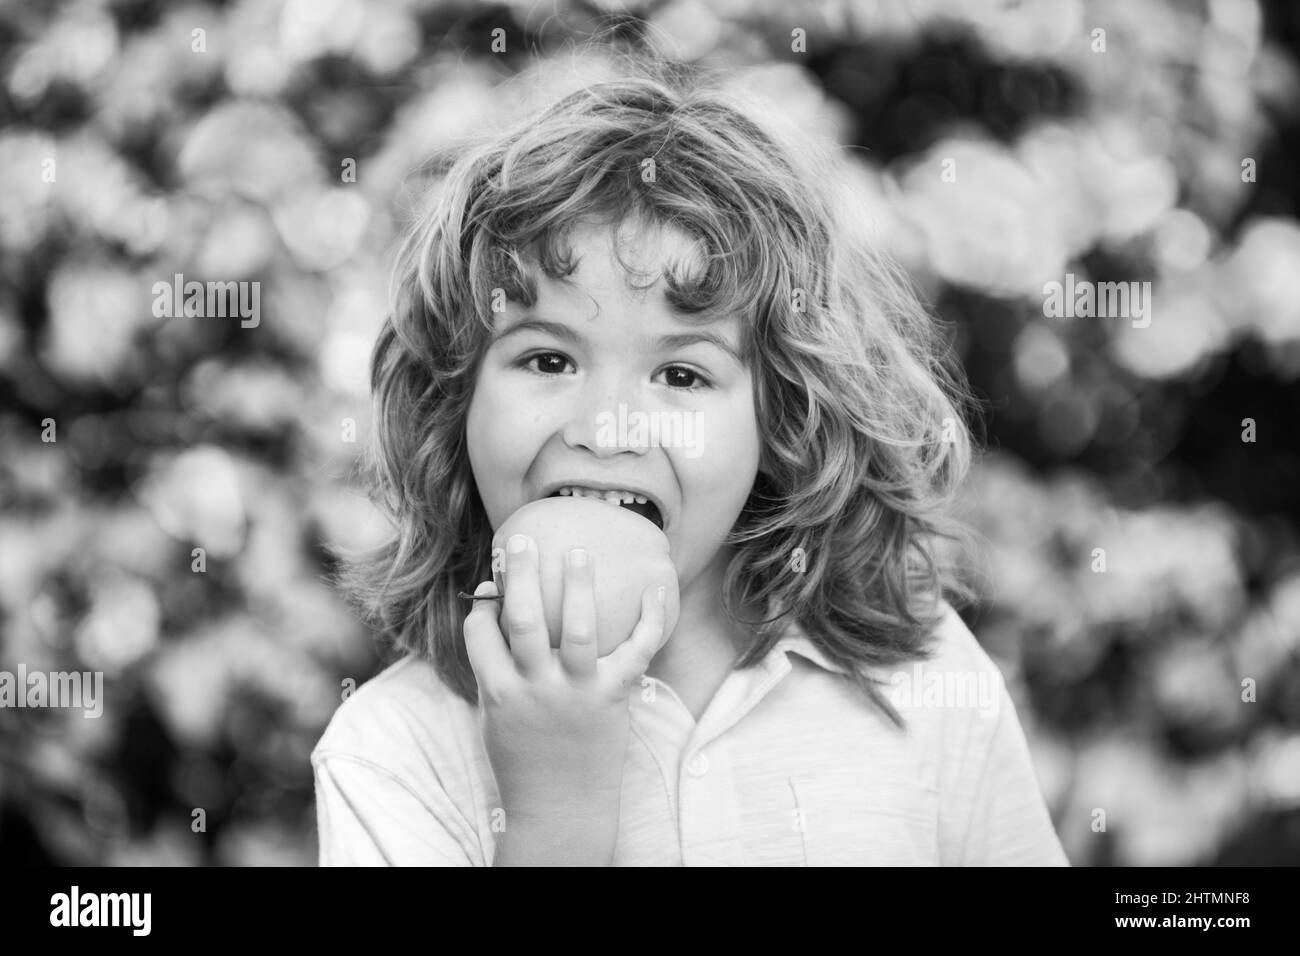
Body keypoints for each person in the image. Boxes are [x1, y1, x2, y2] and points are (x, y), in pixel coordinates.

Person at [312, 61, 1069, 866]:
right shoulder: (393, 755)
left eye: (681, 375)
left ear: (783, 420)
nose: (607, 431)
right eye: (547, 360)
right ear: (454, 398)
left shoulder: (926, 678)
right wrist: (557, 807)